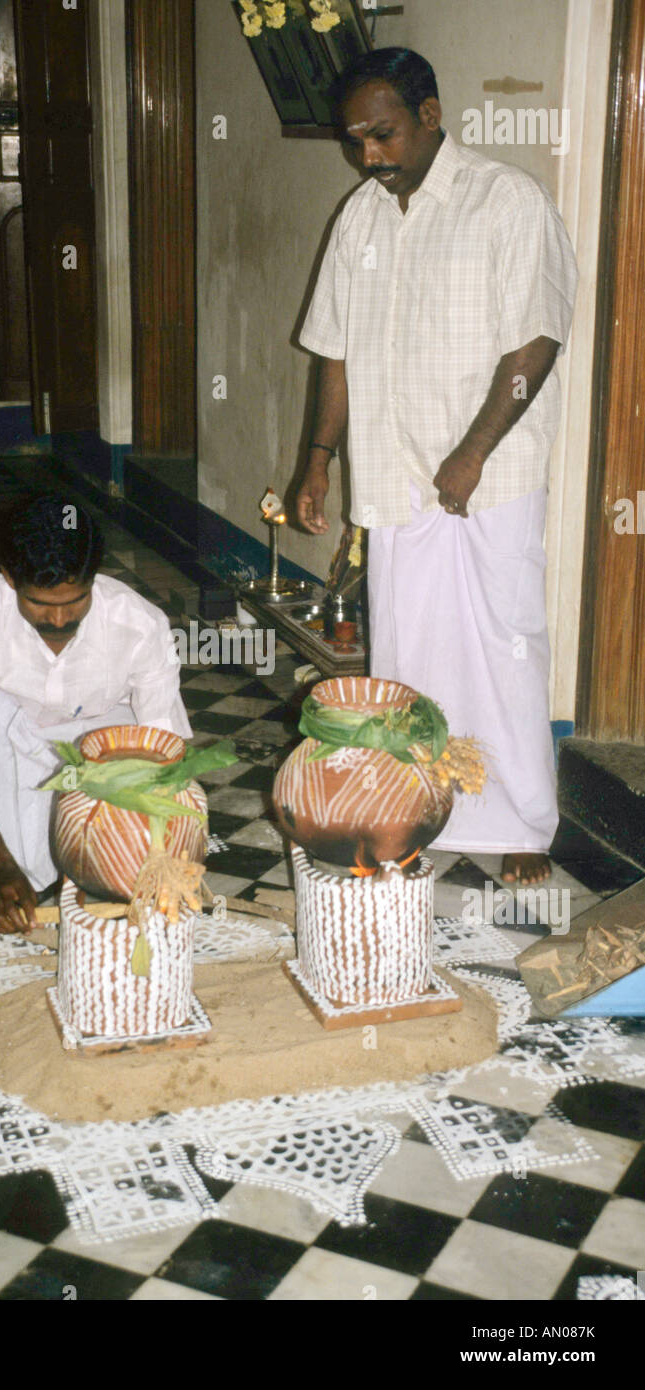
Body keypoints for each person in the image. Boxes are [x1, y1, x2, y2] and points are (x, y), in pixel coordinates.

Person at [294, 48, 578, 886]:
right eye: (354, 142)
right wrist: (317, 460)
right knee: (408, 657)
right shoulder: (360, 217)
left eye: (380, 135)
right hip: (390, 470)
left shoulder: (506, 201)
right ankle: (413, 807)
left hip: (488, 474)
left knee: (504, 643)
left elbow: (537, 341)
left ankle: (522, 821)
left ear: (429, 114)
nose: (368, 157)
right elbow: (334, 352)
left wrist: (473, 450)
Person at [0, 492, 191, 932]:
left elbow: (166, 753)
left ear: (95, 578)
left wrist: (144, 850)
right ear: (10, 579)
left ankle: (69, 852)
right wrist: (0, 868)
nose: (61, 619)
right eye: (42, 604)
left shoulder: (140, 624)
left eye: (76, 600)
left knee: (126, 806)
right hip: (15, 723)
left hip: (101, 739)